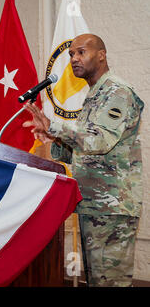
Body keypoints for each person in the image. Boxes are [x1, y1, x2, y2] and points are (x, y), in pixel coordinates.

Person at [23, 33, 144, 287]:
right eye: (71, 55)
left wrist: (55, 127)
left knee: (110, 284)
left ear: (101, 55)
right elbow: (86, 150)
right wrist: (53, 139)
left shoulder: (117, 92)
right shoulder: (94, 96)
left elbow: (100, 141)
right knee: (97, 282)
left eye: (81, 52)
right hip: (95, 207)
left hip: (112, 209)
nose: (74, 59)